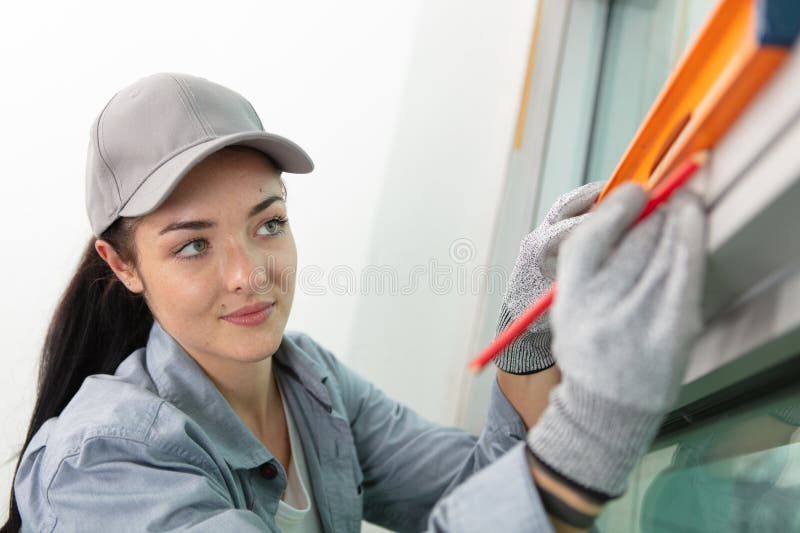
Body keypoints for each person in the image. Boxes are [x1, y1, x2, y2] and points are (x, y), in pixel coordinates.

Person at [3, 72, 706, 533]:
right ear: (122, 264)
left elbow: (480, 487)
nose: (249, 275)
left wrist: (530, 339)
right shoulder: (98, 466)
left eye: (268, 223)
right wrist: (580, 450)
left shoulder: (311, 384)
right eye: (193, 245)